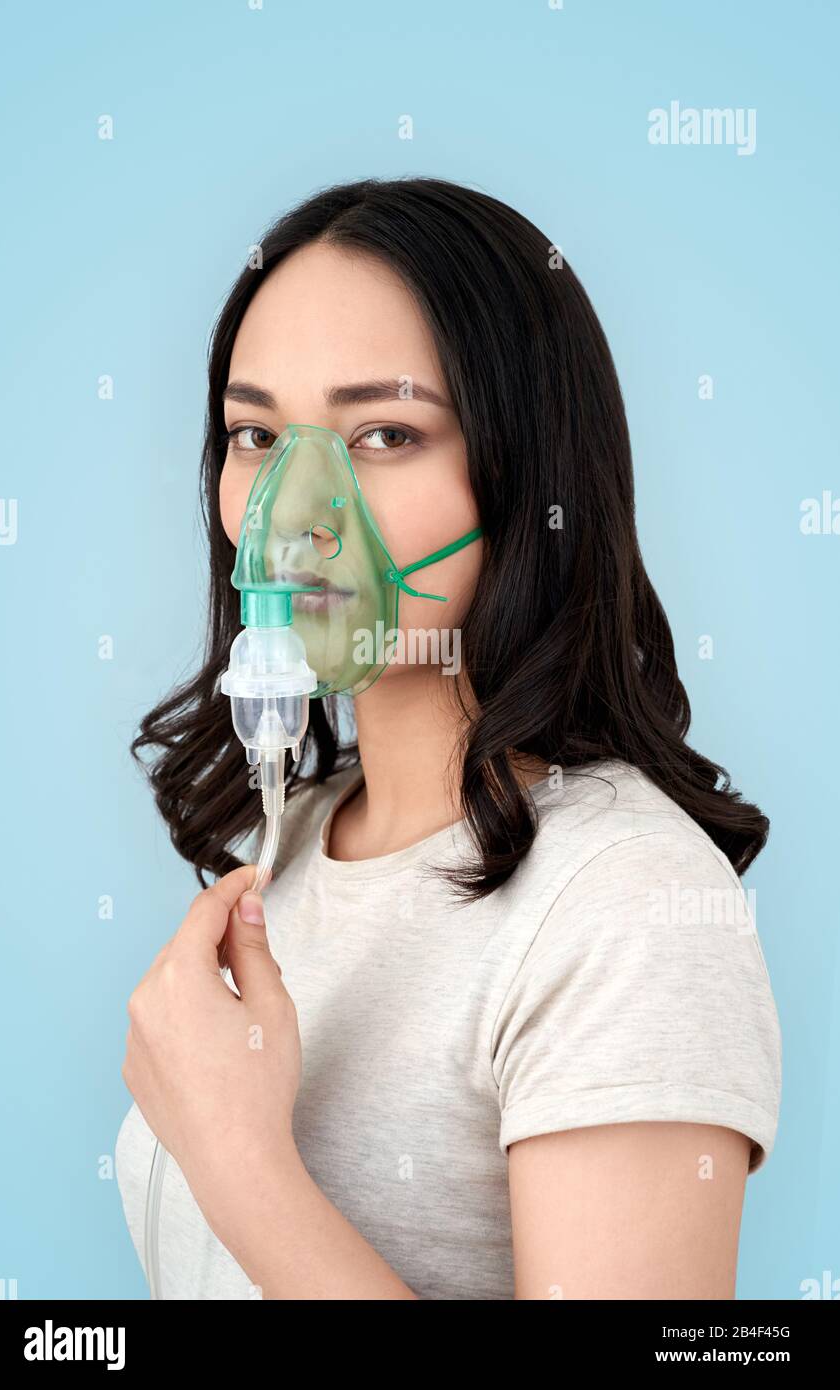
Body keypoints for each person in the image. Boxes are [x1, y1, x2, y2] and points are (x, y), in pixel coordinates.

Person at [116, 176, 781, 1300]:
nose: (293, 511)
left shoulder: (624, 904)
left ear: (527, 471)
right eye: (255, 434)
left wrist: (241, 1164)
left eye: (383, 432)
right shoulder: (293, 844)